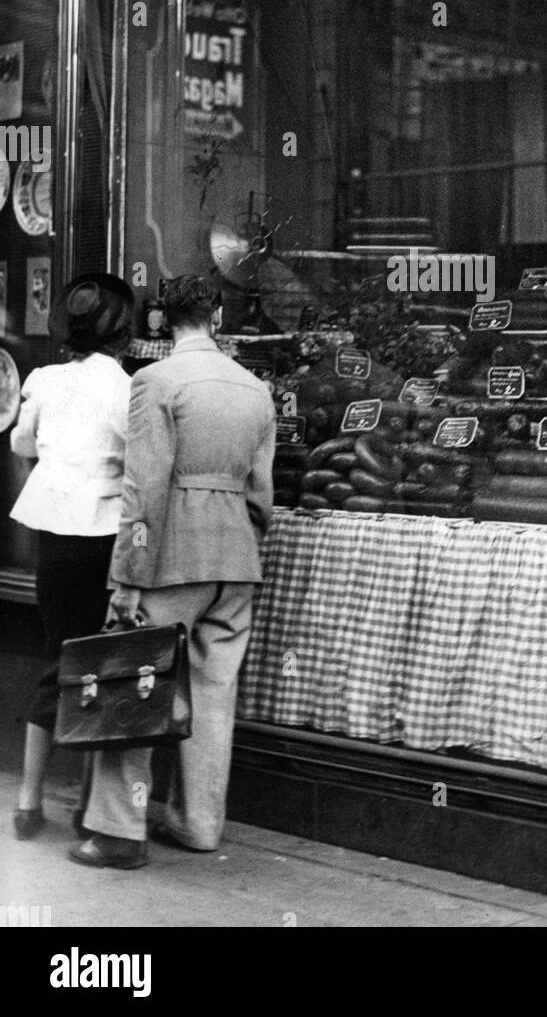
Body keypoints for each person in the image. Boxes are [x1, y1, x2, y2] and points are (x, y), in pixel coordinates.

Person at [70, 274, 276, 869]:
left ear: (164, 318)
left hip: (167, 558)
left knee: (133, 685)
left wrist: (129, 575)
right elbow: (261, 494)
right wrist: (242, 537)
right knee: (215, 696)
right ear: (217, 315)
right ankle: (200, 825)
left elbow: (145, 488)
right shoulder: (254, 387)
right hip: (235, 557)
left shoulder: (155, 381)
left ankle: (117, 831)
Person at [10, 272, 134, 840]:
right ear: (124, 333)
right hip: (104, 533)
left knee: (55, 657)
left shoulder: (45, 378)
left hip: (53, 530)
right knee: (100, 666)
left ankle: (29, 801)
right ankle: (91, 809)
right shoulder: (128, 386)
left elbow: (20, 444)